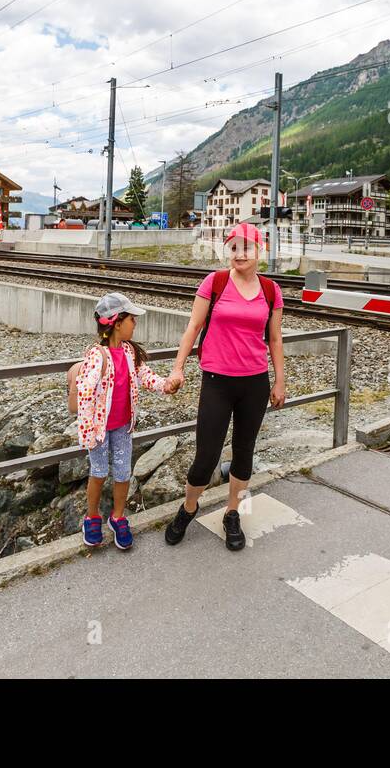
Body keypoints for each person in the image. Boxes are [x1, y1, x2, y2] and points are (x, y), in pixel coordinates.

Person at [163, 223, 285, 551]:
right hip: (217, 381)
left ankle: (234, 513)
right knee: (206, 456)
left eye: (246, 247)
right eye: (233, 247)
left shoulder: (271, 290)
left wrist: (279, 381)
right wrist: (178, 367)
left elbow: (274, 339)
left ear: (261, 251)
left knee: (244, 452)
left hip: (255, 383)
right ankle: (189, 507)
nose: (239, 253)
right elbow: (194, 326)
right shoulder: (214, 282)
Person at [71, 292, 172, 550]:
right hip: (99, 429)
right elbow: (85, 393)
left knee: (123, 471)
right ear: (117, 323)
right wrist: (88, 432)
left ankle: (118, 516)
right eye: (131, 319)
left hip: (123, 426)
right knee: (99, 472)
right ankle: (92, 517)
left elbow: (145, 375)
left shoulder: (129, 352)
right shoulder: (98, 355)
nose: (135, 324)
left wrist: (165, 385)